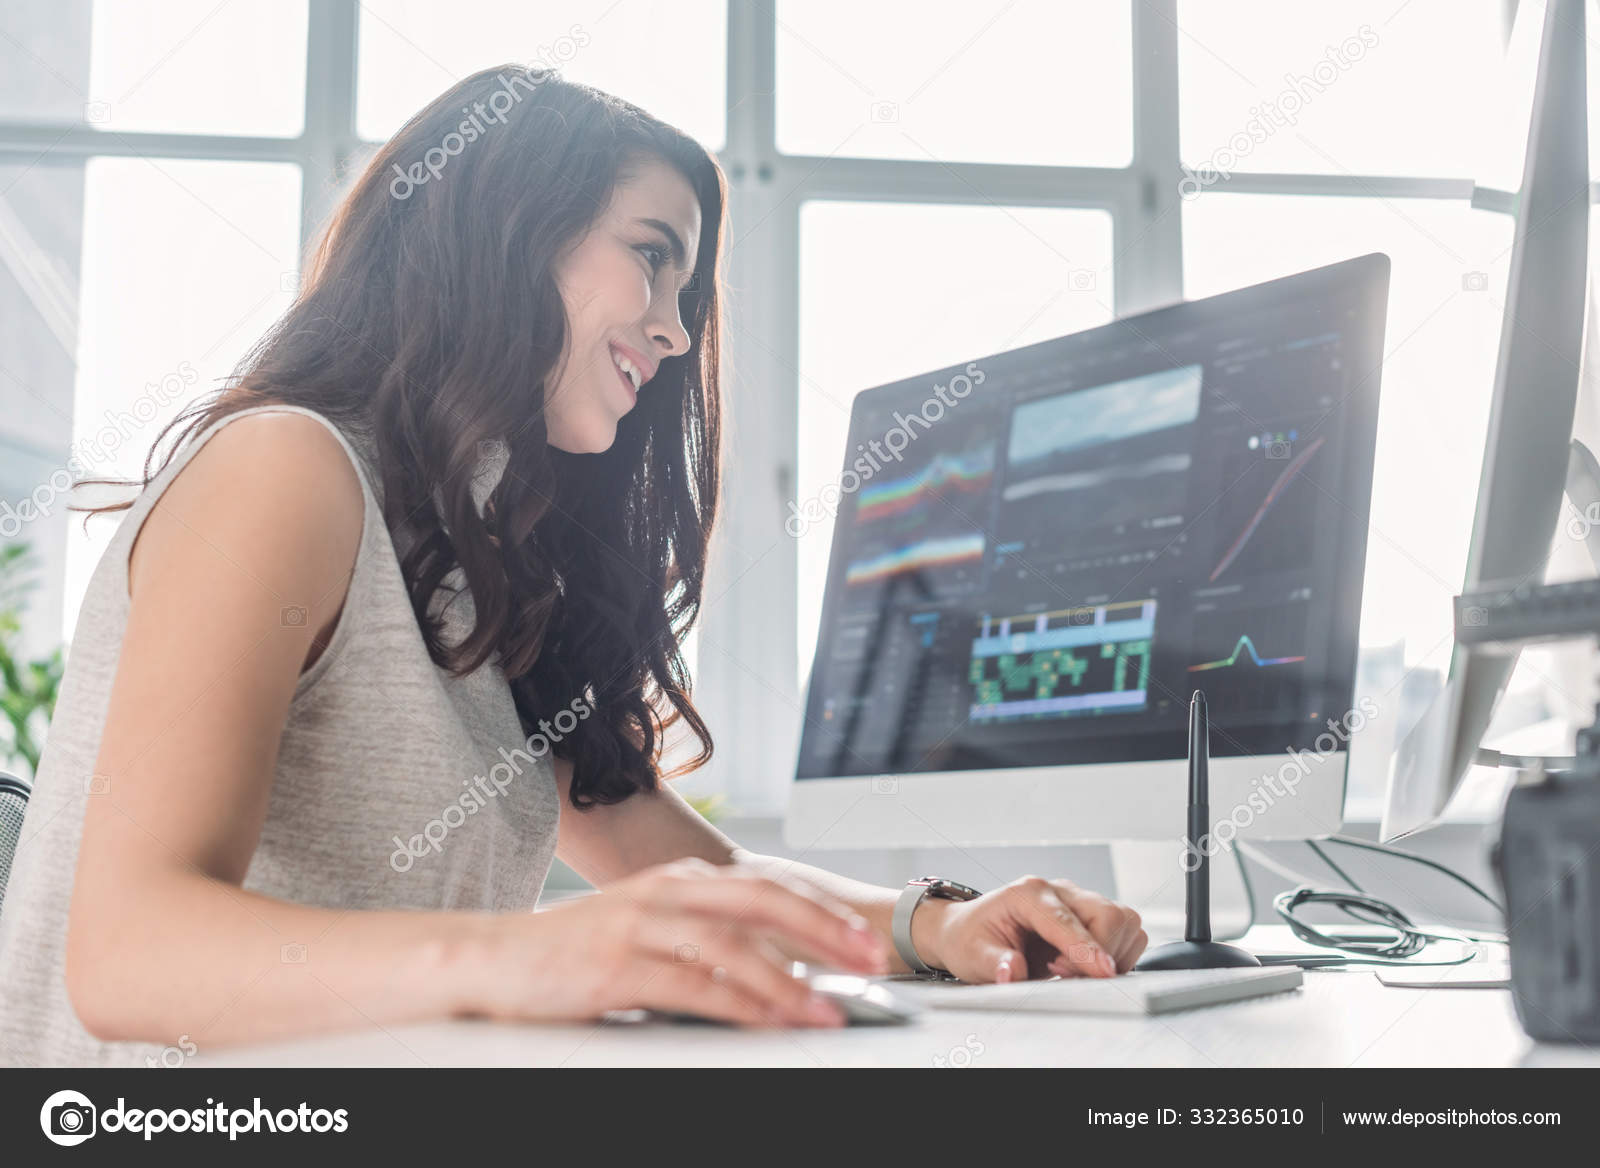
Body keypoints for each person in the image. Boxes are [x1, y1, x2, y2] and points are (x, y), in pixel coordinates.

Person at [0, 67, 1145, 1066]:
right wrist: (517, 956)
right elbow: (128, 954)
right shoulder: (283, 468)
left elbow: (675, 859)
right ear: (507, 225)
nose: (677, 329)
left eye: (686, 288)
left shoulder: (484, 558)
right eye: (650, 259)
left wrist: (929, 924)